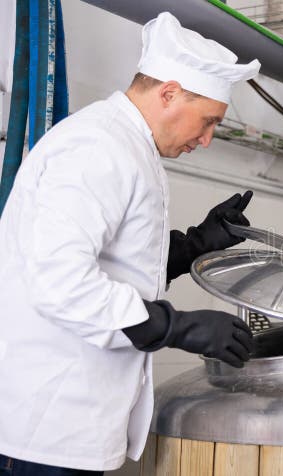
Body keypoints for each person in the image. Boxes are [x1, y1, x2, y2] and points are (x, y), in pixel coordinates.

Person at [0, 12, 261, 475]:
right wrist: (179, 328)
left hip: (72, 420)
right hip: (44, 424)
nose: (207, 139)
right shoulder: (96, 147)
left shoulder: (127, 145)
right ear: (169, 93)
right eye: (208, 122)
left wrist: (196, 244)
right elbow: (61, 283)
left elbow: (117, 264)